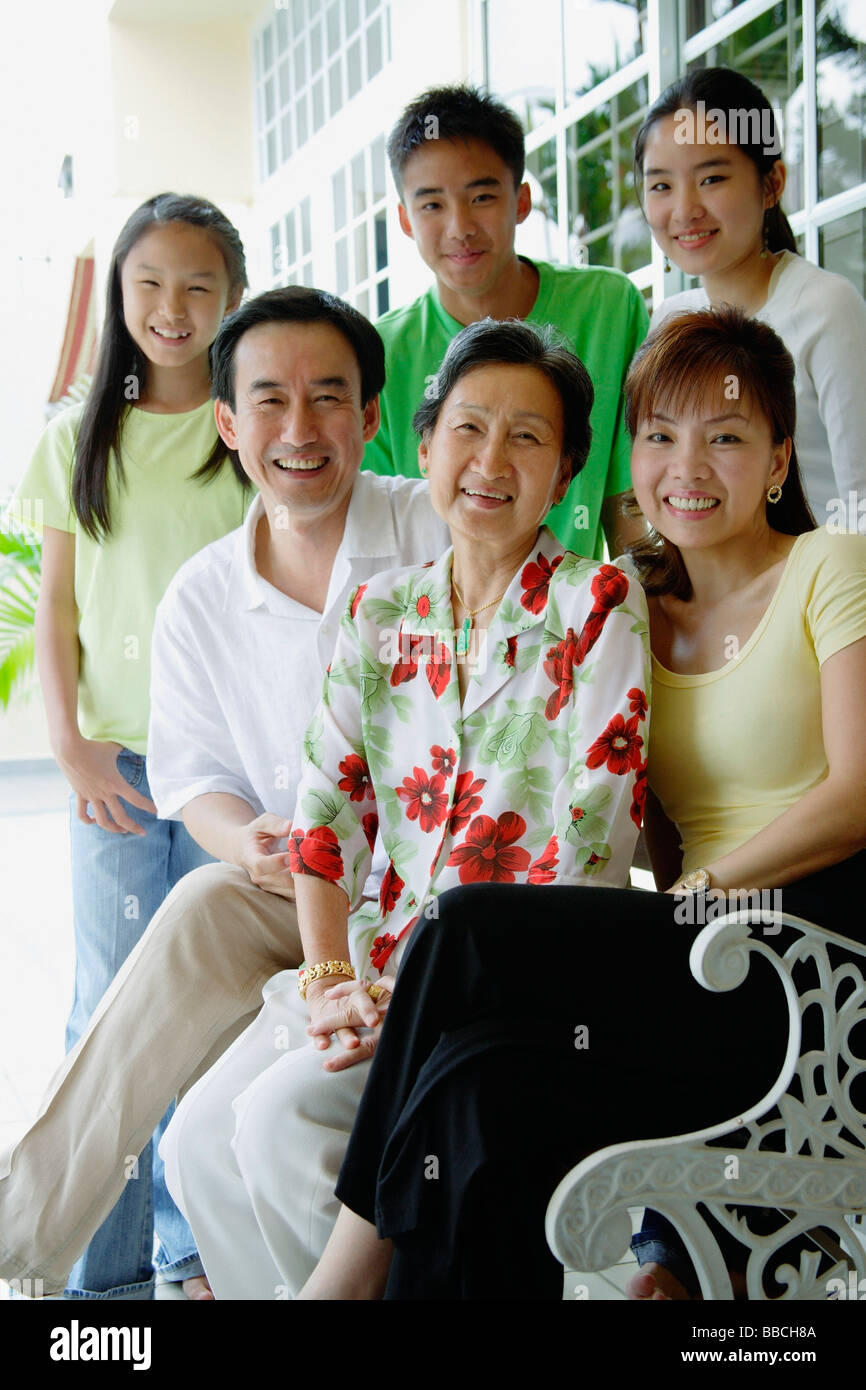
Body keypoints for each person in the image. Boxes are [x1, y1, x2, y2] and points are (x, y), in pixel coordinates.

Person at [296, 305, 866, 1301]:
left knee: (466, 924)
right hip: (698, 965)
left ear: (777, 460)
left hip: (814, 967)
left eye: (725, 437)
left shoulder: (829, 568)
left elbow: (857, 796)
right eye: (658, 436)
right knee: (477, 1088)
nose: (686, 465)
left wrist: (697, 889)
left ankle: (336, 1281)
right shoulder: (638, 606)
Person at [159, 318, 651, 1298]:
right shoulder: (379, 611)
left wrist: (412, 995)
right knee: (197, 1145)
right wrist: (331, 976)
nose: (490, 460)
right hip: (376, 974)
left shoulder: (595, 603)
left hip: (514, 987)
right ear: (422, 447)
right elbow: (323, 816)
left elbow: (587, 842)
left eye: (526, 436)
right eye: (467, 428)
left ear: (563, 475)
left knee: (279, 1124)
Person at [0, 287, 447, 1301]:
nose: (299, 430)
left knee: (215, 1107)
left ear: (371, 417)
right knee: (210, 891)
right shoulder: (202, 592)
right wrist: (245, 840)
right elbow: (195, 778)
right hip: (295, 889)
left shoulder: (433, 525)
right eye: (270, 402)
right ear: (227, 424)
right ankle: (21, 1245)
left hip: (434, 901)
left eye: (328, 398)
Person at [9, 193, 249, 1301]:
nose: (171, 307)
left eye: (198, 284)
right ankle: (93, 1281)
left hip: (229, 775)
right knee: (108, 1005)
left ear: (231, 298)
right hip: (114, 767)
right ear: (119, 296)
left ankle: (186, 1260)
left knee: (205, 1014)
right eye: (148, 283)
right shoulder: (75, 438)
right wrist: (68, 748)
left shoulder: (248, 425)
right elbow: (55, 609)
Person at [362, 84, 650, 559]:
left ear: (521, 201)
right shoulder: (381, 353)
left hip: (584, 617)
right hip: (439, 620)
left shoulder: (609, 306)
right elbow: (387, 538)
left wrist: (636, 620)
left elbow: (630, 505)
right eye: (432, 204)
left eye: (482, 197)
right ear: (405, 219)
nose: (460, 228)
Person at [635, 66, 866, 524]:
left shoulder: (826, 308)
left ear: (771, 184)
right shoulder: (670, 321)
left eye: (712, 179)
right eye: (661, 185)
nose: (685, 211)